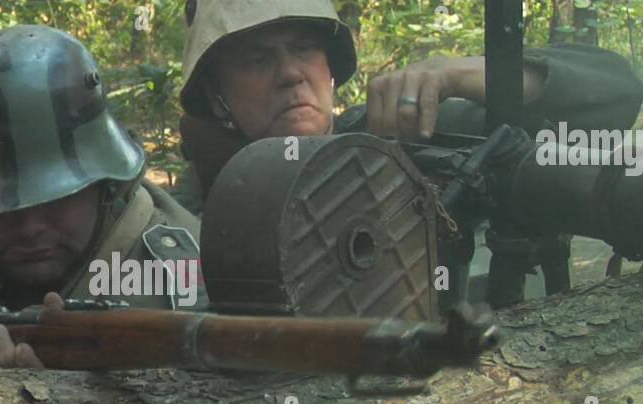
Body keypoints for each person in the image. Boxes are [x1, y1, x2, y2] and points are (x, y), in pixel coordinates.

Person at [170, 0, 643, 306]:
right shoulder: (186, 216)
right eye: (257, 59)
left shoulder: (405, 136)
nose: (291, 73)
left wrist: (456, 74)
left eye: (304, 49)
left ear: (331, 67)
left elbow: (616, 94)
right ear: (216, 97)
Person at [0, 25, 206, 367]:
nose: (29, 227)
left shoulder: (173, 281)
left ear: (105, 182)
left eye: (56, 198)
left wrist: (50, 395)